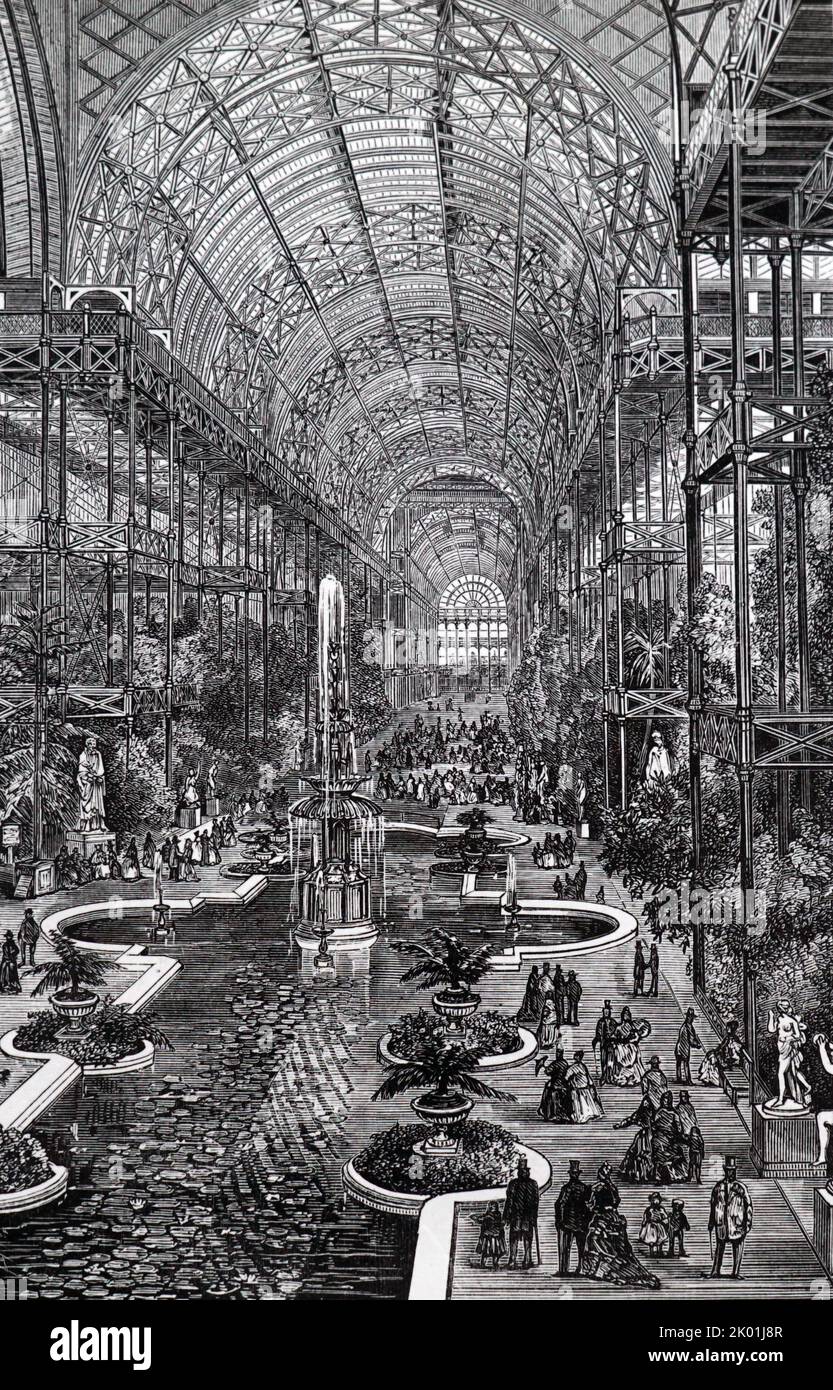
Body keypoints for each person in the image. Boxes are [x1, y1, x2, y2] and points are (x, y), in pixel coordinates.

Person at [580, 1163, 659, 1288]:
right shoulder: (604, 1187)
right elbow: (598, 1204)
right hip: (609, 1218)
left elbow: (594, 1205)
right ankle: (599, 1269)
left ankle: (603, 1270)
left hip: (607, 1218)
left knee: (604, 1243)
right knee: (603, 1242)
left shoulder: (603, 1187)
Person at [708, 1155, 753, 1279]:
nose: (730, 1173)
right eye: (728, 1170)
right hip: (721, 1222)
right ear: (725, 1171)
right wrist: (711, 1221)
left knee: (737, 1247)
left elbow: (748, 1205)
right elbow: (713, 1204)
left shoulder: (741, 1187)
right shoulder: (718, 1187)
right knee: (719, 1246)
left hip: (736, 1222)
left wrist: (747, 1223)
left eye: (732, 1170)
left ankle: (736, 1272)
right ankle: (715, 1271)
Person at [766, 1001, 812, 1110]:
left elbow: (797, 1035)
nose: (781, 1009)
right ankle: (806, 1087)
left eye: (783, 1007)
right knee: (793, 1072)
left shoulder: (792, 1021)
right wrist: (771, 1017)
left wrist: (787, 1039)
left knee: (781, 1073)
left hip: (789, 1048)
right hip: (782, 1049)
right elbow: (771, 1029)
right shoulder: (779, 1020)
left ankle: (781, 1099)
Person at [554, 1160, 592, 1275]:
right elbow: (589, 1204)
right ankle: (580, 1268)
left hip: (568, 1224)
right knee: (581, 1249)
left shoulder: (566, 1188)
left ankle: (564, 1270)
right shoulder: (584, 1188)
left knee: (565, 1248)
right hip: (580, 1224)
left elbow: (560, 1204)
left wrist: (559, 1221)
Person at [502, 1156, 539, 1269]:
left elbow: (534, 1202)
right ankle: (517, 1260)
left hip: (522, 1216)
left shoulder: (522, 1184)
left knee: (522, 1238)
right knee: (518, 1238)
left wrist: (506, 1216)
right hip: (520, 1216)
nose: (523, 1173)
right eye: (522, 1171)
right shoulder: (529, 1184)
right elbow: (510, 1201)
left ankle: (522, 1260)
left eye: (525, 1171)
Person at [614, 1095, 655, 1184]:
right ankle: (637, 1174)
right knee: (636, 1152)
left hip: (652, 1136)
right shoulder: (640, 1113)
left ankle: (649, 1174)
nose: (645, 1104)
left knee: (648, 1154)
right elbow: (630, 1120)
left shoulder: (654, 1113)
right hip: (643, 1136)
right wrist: (620, 1125)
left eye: (647, 1102)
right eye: (644, 1102)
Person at [612, 1006, 650, 1086]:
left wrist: (638, 1033)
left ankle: (634, 1077)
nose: (626, 1016)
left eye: (628, 1015)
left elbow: (646, 1028)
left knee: (634, 1062)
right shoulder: (619, 1027)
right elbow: (615, 1037)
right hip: (622, 1049)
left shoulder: (634, 1026)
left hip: (632, 1048)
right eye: (625, 1015)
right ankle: (623, 1077)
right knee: (621, 1063)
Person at [699, 1019, 742, 1086]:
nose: (726, 1029)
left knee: (712, 1058)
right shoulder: (728, 1038)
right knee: (710, 1056)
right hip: (726, 1057)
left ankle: (712, 1079)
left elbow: (732, 1052)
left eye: (728, 1027)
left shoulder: (733, 1039)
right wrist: (716, 1051)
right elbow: (722, 1047)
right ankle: (708, 1078)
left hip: (730, 1060)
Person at [565, 1049, 604, 1124]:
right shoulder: (582, 1066)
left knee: (580, 1104)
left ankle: (581, 1117)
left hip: (578, 1089)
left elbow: (566, 1077)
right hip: (583, 1087)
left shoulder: (574, 1067)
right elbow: (587, 1077)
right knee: (585, 1103)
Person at [537, 1047, 571, 1122]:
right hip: (563, 1083)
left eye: (558, 1053)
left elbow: (548, 1072)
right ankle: (561, 1114)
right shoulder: (565, 1062)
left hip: (555, 1083)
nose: (557, 1054)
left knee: (550, 1098)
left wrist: (545, 1067)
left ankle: (552, 1115)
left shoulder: (556, 1063)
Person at [473, 1202, 506, 1269]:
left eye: (493, 1207)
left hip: (496, 1236)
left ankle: (495, 1263)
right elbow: (481, 1221)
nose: (492, 1208)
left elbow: (500, 1224)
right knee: (485, 1252)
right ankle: (483, 1263)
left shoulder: (498, 1215)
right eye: (490, 1207)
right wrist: (477, 1219)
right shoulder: (486, 1215)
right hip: (487, 1236)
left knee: (496, 1252)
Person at [639, 1192, 670, 1258]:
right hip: (651, 1226)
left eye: (657, 1200)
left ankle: (660, 1251)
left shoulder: (661, 1209)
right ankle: (651, 1252)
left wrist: (665, 1221)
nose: (655, 1202)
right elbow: (645, 1216)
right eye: (653, 1200)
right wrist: (644, 1223)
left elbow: (665, 1216)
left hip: (659, 1225)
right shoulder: (649, 1209)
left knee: (660, 1239)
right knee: (651, 1239)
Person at [675, 1008, 702, 1085]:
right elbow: (691, 1039)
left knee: (679, 1063)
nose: (692, 1019)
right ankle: (688, 1080)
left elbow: (693, 1036)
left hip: (678, 1047)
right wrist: (697, 1045)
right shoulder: (688, 1026)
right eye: (691, 1017)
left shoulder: (685, 1025)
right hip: (684, 1048)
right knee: (686, 1063)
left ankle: (679, 1078)